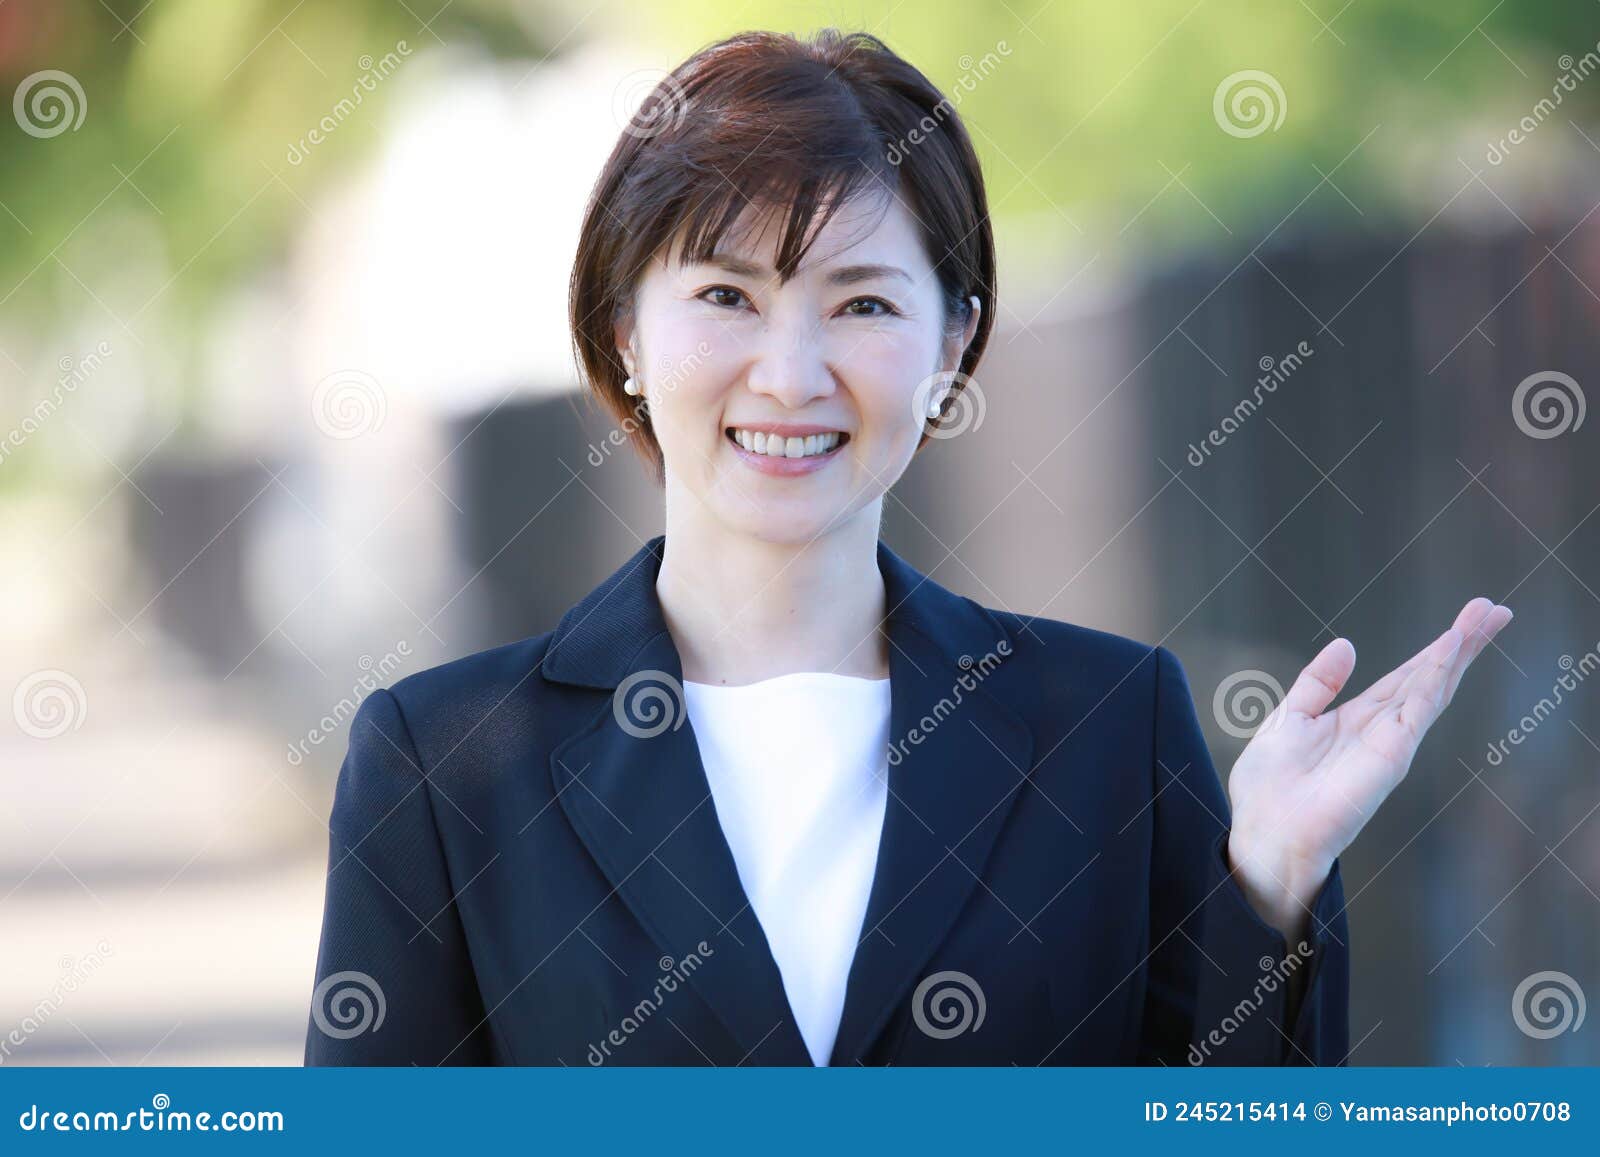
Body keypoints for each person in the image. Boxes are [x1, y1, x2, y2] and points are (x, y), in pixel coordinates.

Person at [304, 28, 1511, 1067]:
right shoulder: (447, 765)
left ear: (951, 345)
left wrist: (1267, 884)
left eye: (863, 303)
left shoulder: (1104, 727)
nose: (788, 373)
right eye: (725, 296)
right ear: (624, 326)